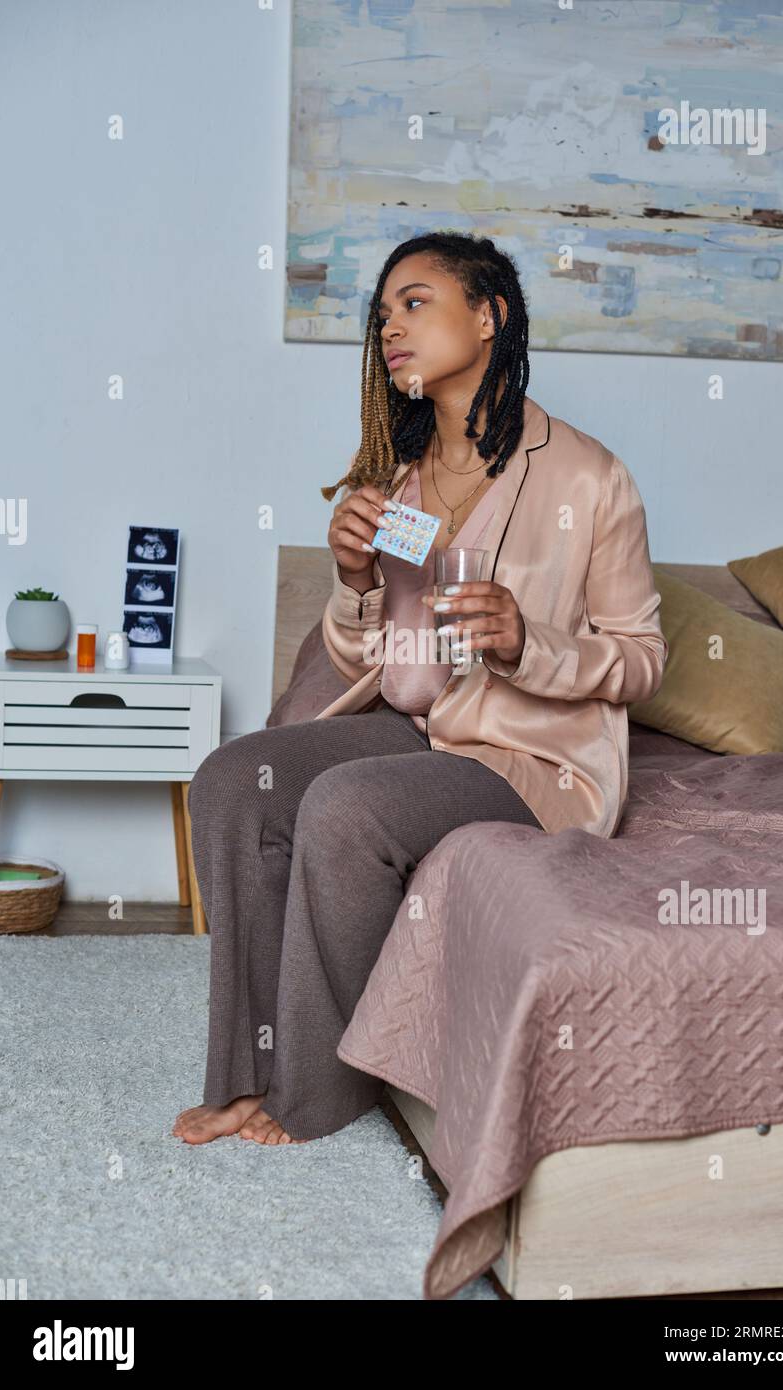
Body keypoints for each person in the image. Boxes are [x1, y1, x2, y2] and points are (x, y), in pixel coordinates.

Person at [172, 231, 668, 1147]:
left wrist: (529, 640)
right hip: (413, 726)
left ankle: (320, 1090)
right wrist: (354, 578)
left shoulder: (589, 477)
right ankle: (247, 1071)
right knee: (232, 780)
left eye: (415, 302)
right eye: (382, 314)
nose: (390, 328)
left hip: (525, 756)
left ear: (489, 317)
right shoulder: (396, 480)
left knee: (346, 808)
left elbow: (641, 658)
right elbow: (381, 660)